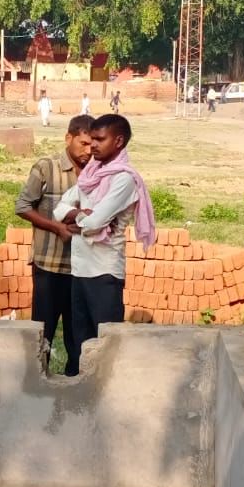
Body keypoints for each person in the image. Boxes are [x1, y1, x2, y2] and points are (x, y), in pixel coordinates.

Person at [54, 114, 155, 376]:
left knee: (105, 346)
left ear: (118, 141)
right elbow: (59, 209)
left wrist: (82, 219)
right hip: (80, 270)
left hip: (104, 273)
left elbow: (97, 221)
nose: (93, 145)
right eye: (91, 139)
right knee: (79, 344)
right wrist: (81, 216)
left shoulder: (124, 179)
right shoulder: (91, 173)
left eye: (100, 139)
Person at [15, 115, 94, 367]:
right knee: (42, 334)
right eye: (83, 144)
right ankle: (37, 387)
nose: (88, 150)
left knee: (78, 336)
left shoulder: (98, 172)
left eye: (92, 145)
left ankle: (74, 387)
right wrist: (56, 227)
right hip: (49, 265)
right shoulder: (46, 167)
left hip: (82, 269)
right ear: (68, 138)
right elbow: (23, 206)